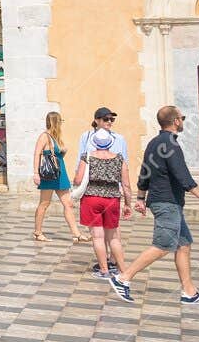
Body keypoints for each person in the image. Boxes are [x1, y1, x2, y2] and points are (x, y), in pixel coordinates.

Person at [116, 105, 199, 305]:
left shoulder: (154, 143)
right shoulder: (171, 145)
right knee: (163, 246)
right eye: (182, 117)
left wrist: (140, 198)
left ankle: (189, 292)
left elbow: (145, 171)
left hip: (165, 201)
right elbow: (182, 175)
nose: (183, 120)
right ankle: (123, 278)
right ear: (176, 121)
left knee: (184, 244)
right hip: (167, 203)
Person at [72, 124, 132, 292]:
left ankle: (104, 270)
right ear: (111, 142)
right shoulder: (119, 159)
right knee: (113, 237)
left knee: (97, 237)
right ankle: (123, 270)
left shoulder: (87, 157)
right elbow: (126, 185)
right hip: (112, 199)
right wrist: (128, 204)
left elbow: (77, 180)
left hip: (92, 198)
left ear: (94, 142)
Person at [31, 111, 83, 243]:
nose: (61, 124)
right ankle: (37, 232)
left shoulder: (56, 137)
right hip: (49, 175)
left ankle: (77, 234)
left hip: (60, 173)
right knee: (44, 203)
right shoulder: (44, 136)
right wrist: (36, 173)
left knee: (68, 204)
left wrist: (62, 152)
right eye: (60, 121)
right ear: (56, 122)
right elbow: (37, 154)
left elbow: (56, 157)